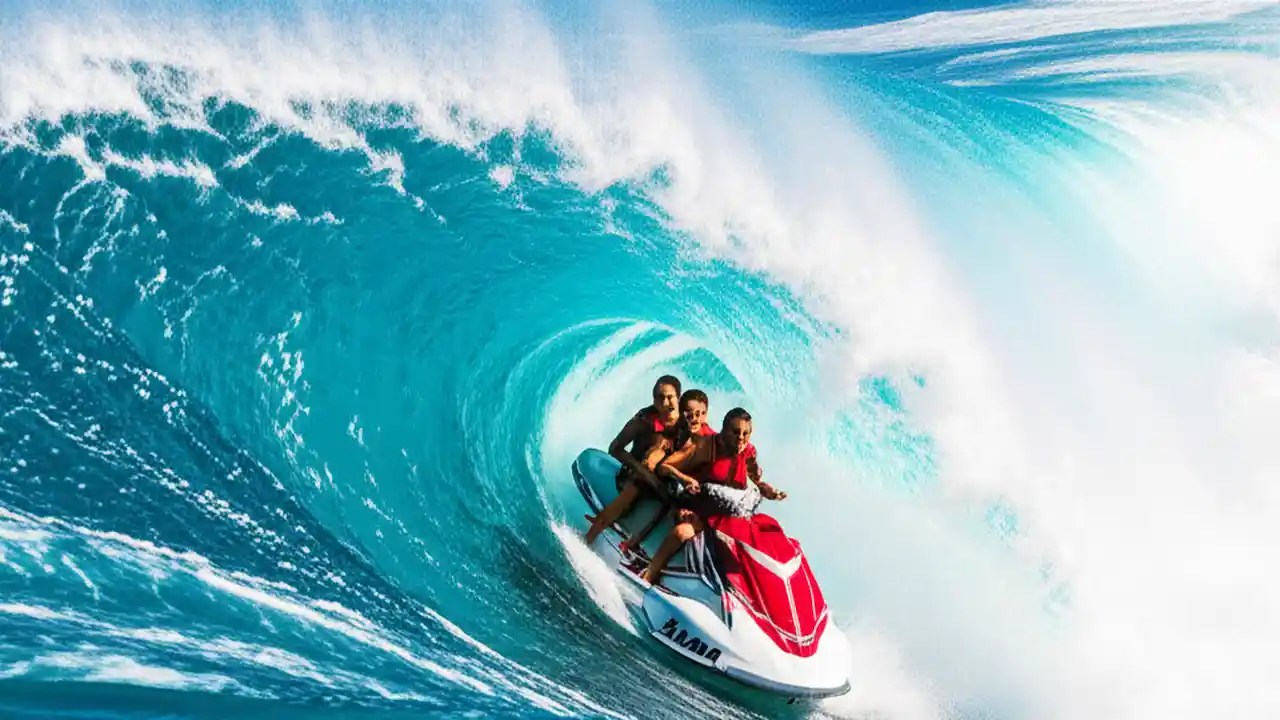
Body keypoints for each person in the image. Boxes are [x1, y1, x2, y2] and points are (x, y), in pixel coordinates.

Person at [640, 407, 786, 584]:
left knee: (770, 533)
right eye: (735, 432)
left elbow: (757, 480)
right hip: (699, 510)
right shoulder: (704, 447)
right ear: (724, 431)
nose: (740, 438)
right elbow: (664, 467)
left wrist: (769, 490)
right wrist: (685, 479)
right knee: (681, 533)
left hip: (728, 516)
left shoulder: (748, 452)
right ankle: (649, 574)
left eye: (745, 433)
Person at [584, 375, 691, 545]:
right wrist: (647, 476)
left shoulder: (687, 423)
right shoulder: (644, 421)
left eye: (669, 397)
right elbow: (615, 448)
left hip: (666, 477)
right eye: (659, 398)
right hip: (636, 473)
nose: (665, 403)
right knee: (636, 488)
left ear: (678, 397)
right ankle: (592, 533)